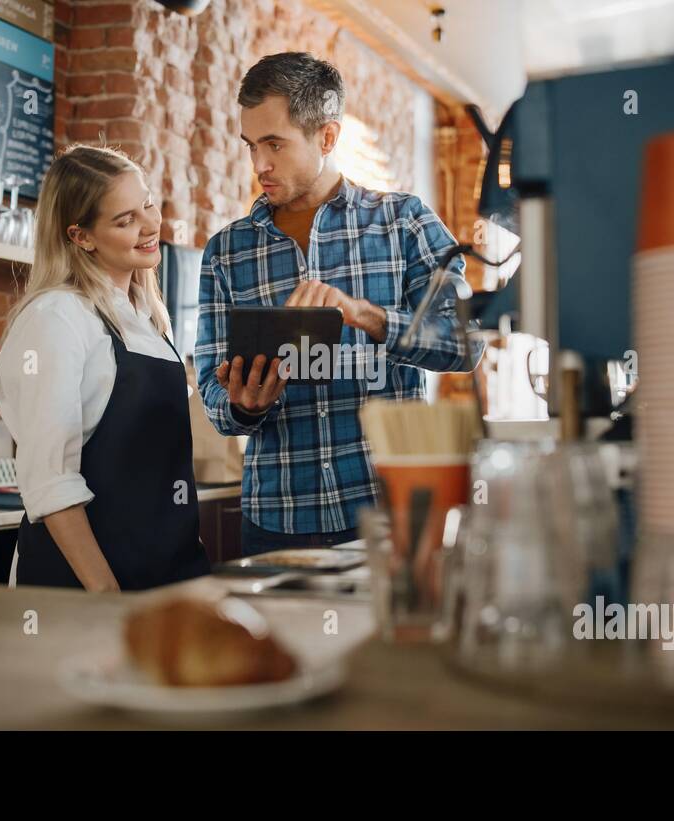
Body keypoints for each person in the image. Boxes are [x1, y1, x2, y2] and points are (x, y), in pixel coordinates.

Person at [194, 52, 482, 556]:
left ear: (326, 137)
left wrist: (365, 316)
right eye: (251, 145)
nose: (259, 164)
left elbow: (466, 343)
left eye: (275, 145)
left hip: (390, 516)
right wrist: (242, 405)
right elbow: (211, 392)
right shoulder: (227, 251)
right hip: (277, 521)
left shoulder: (404, 223)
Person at [0, 145, 210, 590]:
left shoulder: (148, 319)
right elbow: (50, 483)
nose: (150, 225)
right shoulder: (56, 317)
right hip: (81, 592)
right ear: (82, 237)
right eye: (125, 219)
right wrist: (107, 596)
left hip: (164, 578)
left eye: (147, 203)